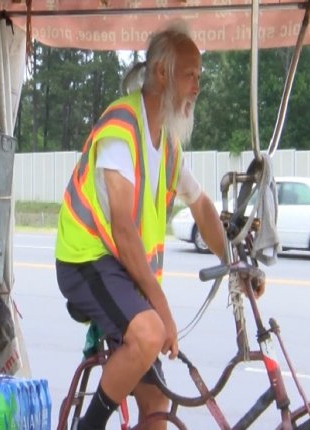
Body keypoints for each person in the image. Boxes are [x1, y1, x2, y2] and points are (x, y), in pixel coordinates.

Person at [54, 21, 227, 430]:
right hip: (87, 259)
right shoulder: (121, 125)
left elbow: (201, 206)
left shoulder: (167, 141)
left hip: (122, 271)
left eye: (199, 77)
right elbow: (124, 231)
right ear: (163, 74)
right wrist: (162, 309)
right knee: (150, 334)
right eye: (191, 75)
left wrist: (234, 262)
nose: (197, 87)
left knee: (157, 409)